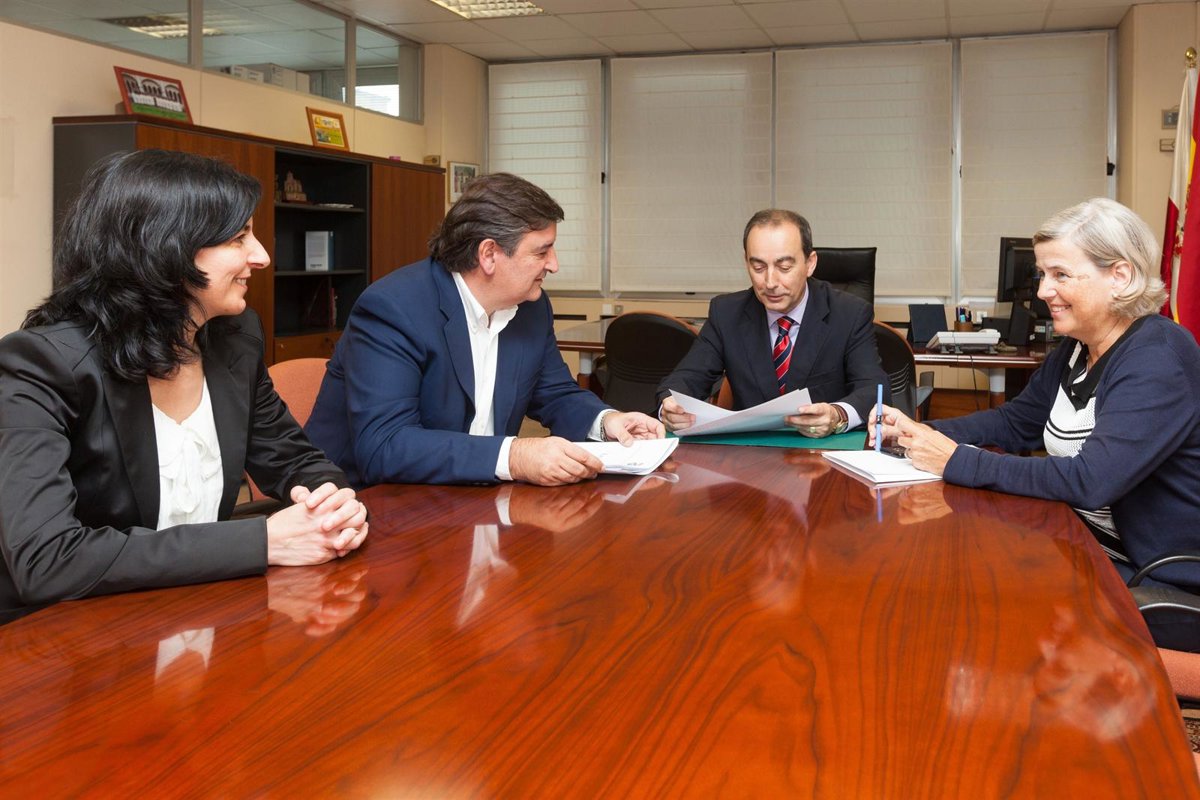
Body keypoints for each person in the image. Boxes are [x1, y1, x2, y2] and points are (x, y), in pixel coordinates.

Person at [0, 149, 368, 619]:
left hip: (198, 615)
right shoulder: (41, 364)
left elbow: (295, 460)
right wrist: (265, 541)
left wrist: (334, 507)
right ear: (165, 250)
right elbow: (46, 559)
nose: (261, 256)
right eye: (239, 238)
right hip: (68, 647)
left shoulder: (236, 339)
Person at [874, 197, 1200, 652]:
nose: (1044, 290)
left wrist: (955, 461)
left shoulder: (1158, 357)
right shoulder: (1075, 347)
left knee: (986, 612)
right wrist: (918, 432)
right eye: (1043, 274)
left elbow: (1091, 481)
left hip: (1159, 579)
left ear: (1119, 277)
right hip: (1086, 542)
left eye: (1061, 275)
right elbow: (1016, 422)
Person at [305, 172, 663, 487]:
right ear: (489, 254)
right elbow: (386, 446)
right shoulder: (394, 309)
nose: (554, 265)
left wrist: (606, 422)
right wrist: (515, 456)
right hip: (366, 508)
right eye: (542, 252)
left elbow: (555, 393)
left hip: (468, 501)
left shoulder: (530, 307)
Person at [656, 209, 888, 437]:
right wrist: (670, 405)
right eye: (758, 267)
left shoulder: (849, 313)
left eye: (784, 267)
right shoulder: (727, 313)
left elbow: (874, 390)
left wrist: (838, 415)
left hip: (822, 456)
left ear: (810, 263)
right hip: (750, 455)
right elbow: (685, 379)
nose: (770, 282)